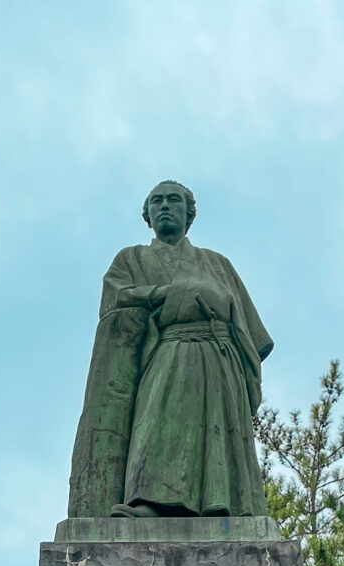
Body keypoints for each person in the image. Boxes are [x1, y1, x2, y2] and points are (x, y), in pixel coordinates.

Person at [67, 180, 273, 518]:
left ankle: (223, 505)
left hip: (218, 357)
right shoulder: (131, 258)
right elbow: (116, 299)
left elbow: (253, 336)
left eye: (173, 200)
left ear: (189, 214)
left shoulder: (217, 264)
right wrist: (168, 293)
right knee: (157, 420)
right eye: (156, 201)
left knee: (217, 430)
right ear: (146, 215)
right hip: (166, 349)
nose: (164, 206)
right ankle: (149, 502)